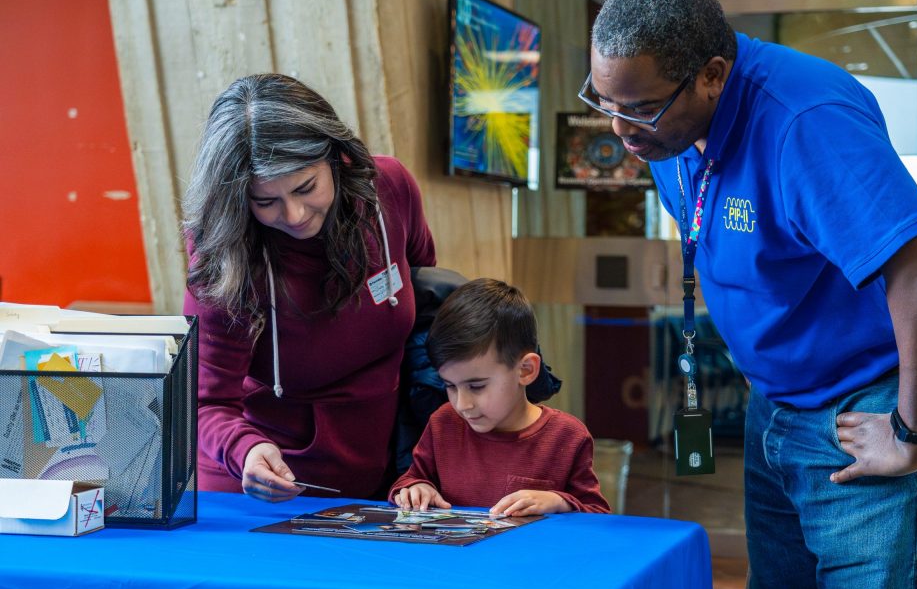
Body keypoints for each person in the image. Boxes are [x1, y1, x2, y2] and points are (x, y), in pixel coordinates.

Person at [582, 0, 917, 589]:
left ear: (713, 75)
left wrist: (912, 432)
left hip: (878, 395)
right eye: (605, 102)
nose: (620, 129)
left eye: (640, 109)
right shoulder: (666, 127)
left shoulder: (802, 121)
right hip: (781, 401)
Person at [182, 73, 435, 502]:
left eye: (306, 187)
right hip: (266, 479)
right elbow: (205, 403)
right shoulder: (222, 253)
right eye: (266, 201)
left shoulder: (389, 189)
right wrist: (246, 450)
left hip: (386, 463)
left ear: (336, 156)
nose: (295, 214)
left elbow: (427, 292)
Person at [389, 278, 610, 516]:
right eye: (450, 386)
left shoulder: (567, 436)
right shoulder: (443, 423)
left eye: (477, 386)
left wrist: (559, 502)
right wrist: (415, 488)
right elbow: (410, 480)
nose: (462, 405)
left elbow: (596, 516)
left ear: (526, 370)